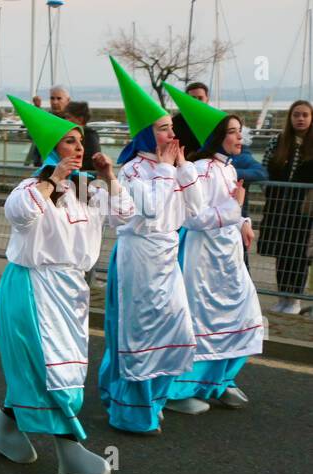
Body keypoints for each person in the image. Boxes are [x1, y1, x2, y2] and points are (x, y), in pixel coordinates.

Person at [0, 96, 133, 474]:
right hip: (32, 287)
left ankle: (4, 431)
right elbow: (20, 213)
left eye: (81, 141)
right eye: (70, 141)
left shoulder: (88, 191)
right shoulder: (31, 187)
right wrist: (52, 180)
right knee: (48, 369)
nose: (80, 148)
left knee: (59, 367)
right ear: (52, 148)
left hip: (72, 290)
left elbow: (126, 216)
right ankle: (70, 453)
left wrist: (110, 178)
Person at [97, 58, 205, 434]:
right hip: (138, 257)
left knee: (175, 327)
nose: (171, 135)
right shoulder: (130, 172)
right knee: (137, 332)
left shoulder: (170, 167)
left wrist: (184, 168)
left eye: (172, 127)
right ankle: (130, 411)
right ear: (145, 134)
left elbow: (198, 210)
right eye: (163, 129)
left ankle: (157, 399)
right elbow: (149, 208)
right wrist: (164, 170)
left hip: (167, 256)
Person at [161, 85, 264, 410]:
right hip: (202, 257)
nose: (239, 137)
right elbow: (193, 218)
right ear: (216, 136)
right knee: (200, 319)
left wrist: (243, 220)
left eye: (240, 132)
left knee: (240, 314)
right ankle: (180, 389)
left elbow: (231, 207)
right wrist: (234, 211)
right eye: (232, 132)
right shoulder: (202, 170)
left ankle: (217, 382)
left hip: (229, 256)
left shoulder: (229, 168)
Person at [256, 100, 313, 315]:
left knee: (299, 256)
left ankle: (295, 299)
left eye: (305, 115)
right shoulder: (278, 141)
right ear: (290, 118)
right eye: (296, 114)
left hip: (304, 210)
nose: (300, 118)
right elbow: (264, 169)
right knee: (281, 253)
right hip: (279, 208)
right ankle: (283, 296)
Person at [25, 85, 72, 167]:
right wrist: (37, 111)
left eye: (59, 98)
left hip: (66, 166)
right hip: (42, 165)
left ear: (68, 100)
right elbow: (30, 135)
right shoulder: (44, 117)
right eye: (52, 98)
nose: (55, 102)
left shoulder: (73, 120)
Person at [170, 81, 210, 156]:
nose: (196, 101)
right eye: (193, 98)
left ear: (207, 100)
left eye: (200, 98)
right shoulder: (175, 122)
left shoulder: (215, 122)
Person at [63, 100, 102, 172]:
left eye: (68, 117)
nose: (65, 120)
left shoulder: (90, 136)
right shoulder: (87, 135)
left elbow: (91, 161)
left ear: (80, 119)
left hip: (83, 177)